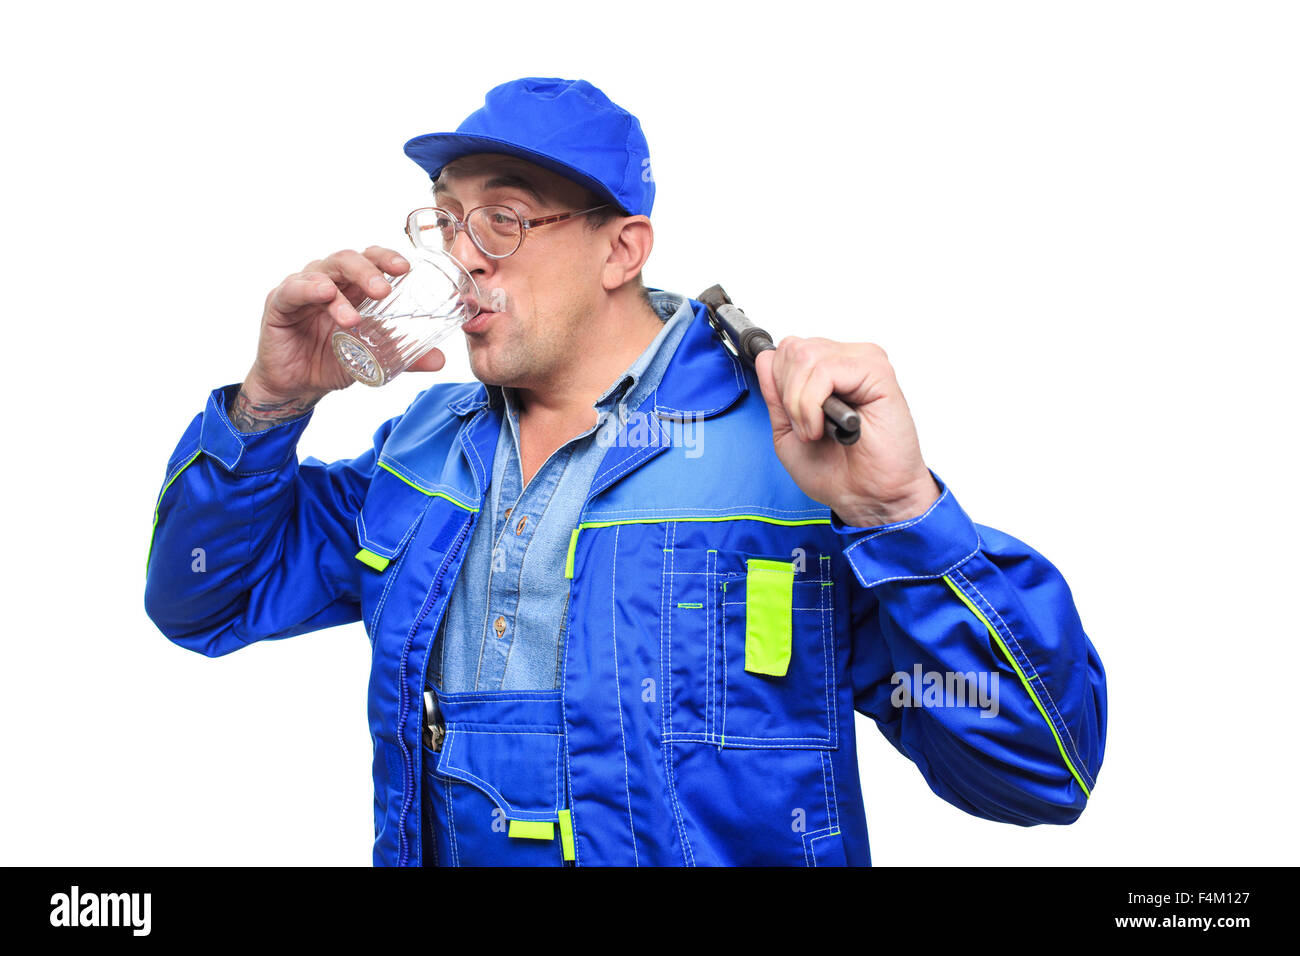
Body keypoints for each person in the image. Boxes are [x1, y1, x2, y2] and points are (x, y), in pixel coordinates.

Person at [144, 76, 1107, 866]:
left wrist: (901, 513)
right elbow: (203, 601)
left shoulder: (796, 461)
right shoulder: (420, 455)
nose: (462, 260)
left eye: (505, 223)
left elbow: (1037, 769)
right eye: (447, 223)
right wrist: (269, 405)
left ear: (622, 249)